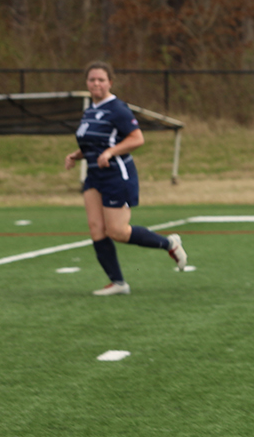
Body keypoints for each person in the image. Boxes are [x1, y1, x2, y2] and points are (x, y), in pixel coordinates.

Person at [63, 61, 189, 295]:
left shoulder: (118, 108)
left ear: (110, 82)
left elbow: (136, 138)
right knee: (96, 229)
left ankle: (170, 243)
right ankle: (118, 283)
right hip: (94, 176)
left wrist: (110, 153)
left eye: (101, 79)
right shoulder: (89, 110)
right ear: (87, 83)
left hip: (116, 176)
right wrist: (76, 155)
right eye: (92, 80)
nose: (96, 83)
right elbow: (94, 143)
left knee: (118, 232)